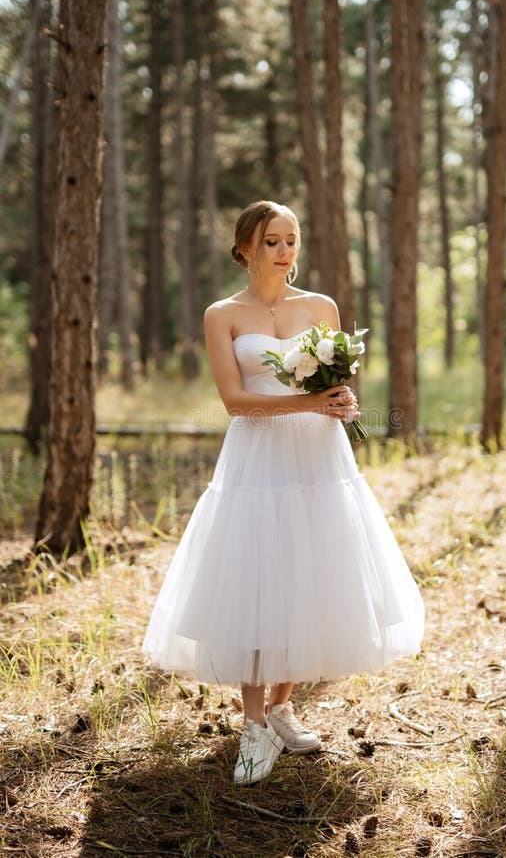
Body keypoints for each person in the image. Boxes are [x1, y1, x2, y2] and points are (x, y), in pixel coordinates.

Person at [143, 199, 425, 785]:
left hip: (318, 454)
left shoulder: (321, 306)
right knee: (257, 573)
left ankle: (281, 706)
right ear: (246, 247)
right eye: (272, 240)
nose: (284, 250)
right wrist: (306, 402)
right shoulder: (223, 314)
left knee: (310, 569)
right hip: (257, 453)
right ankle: (252, 725)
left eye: (291, 238)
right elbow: (234, 402)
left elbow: (333, 384)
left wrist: (342, 403)